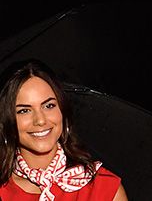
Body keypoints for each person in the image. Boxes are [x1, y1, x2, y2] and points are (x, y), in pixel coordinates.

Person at [0, 61, 126, 201]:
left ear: (62, 110)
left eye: (49, 106)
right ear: (6, 120)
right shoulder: (3, 190)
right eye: (24, 110)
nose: (40, 120)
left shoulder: (104, 189)